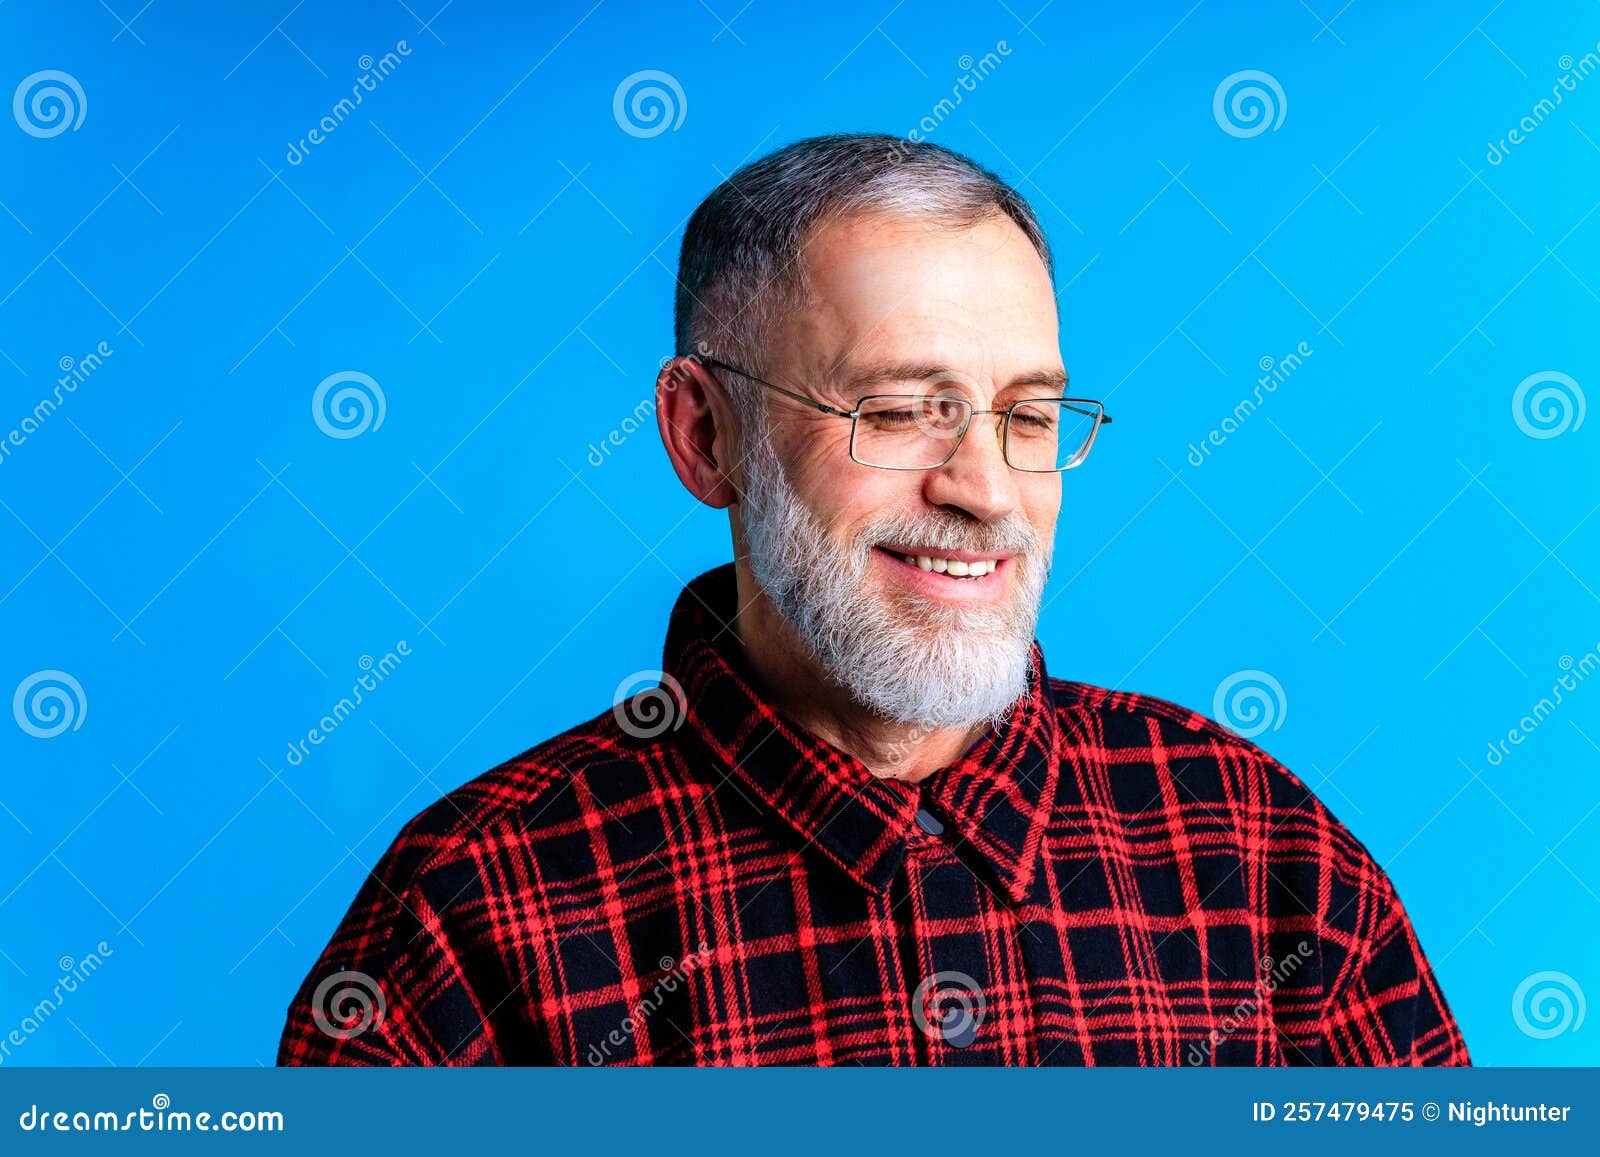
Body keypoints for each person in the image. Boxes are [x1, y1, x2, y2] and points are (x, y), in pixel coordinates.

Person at [278, 132, 1468, 1066]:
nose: (983, 489)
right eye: (898, 411)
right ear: (705, 435)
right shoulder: (472, 911)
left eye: (1029, 415)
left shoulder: (1257, 844)